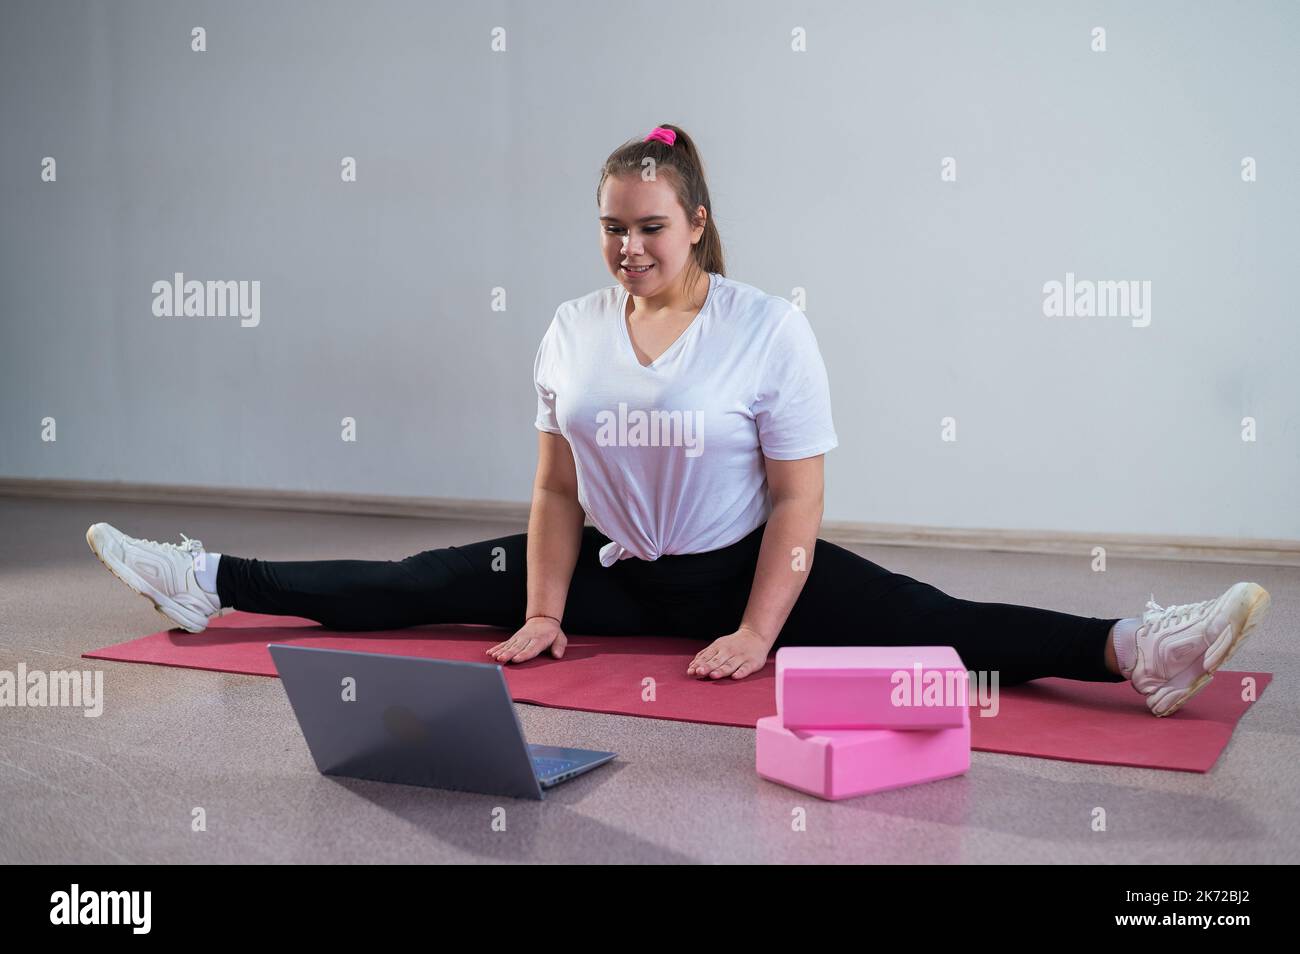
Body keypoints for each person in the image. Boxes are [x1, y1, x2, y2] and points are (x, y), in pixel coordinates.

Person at [85, 124, 1272, 719]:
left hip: (751, 572)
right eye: (612, 225)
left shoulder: (768, 328)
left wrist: (762, 634)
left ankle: (1141, 650)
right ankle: (207, 578)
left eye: (649, 225)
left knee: (941, 627)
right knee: (415, 581)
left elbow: (800, 500)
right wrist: (545, 609)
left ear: (694, 220)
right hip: (608, 571)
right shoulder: (568, 328)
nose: (628, 245)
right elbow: (554, 489)